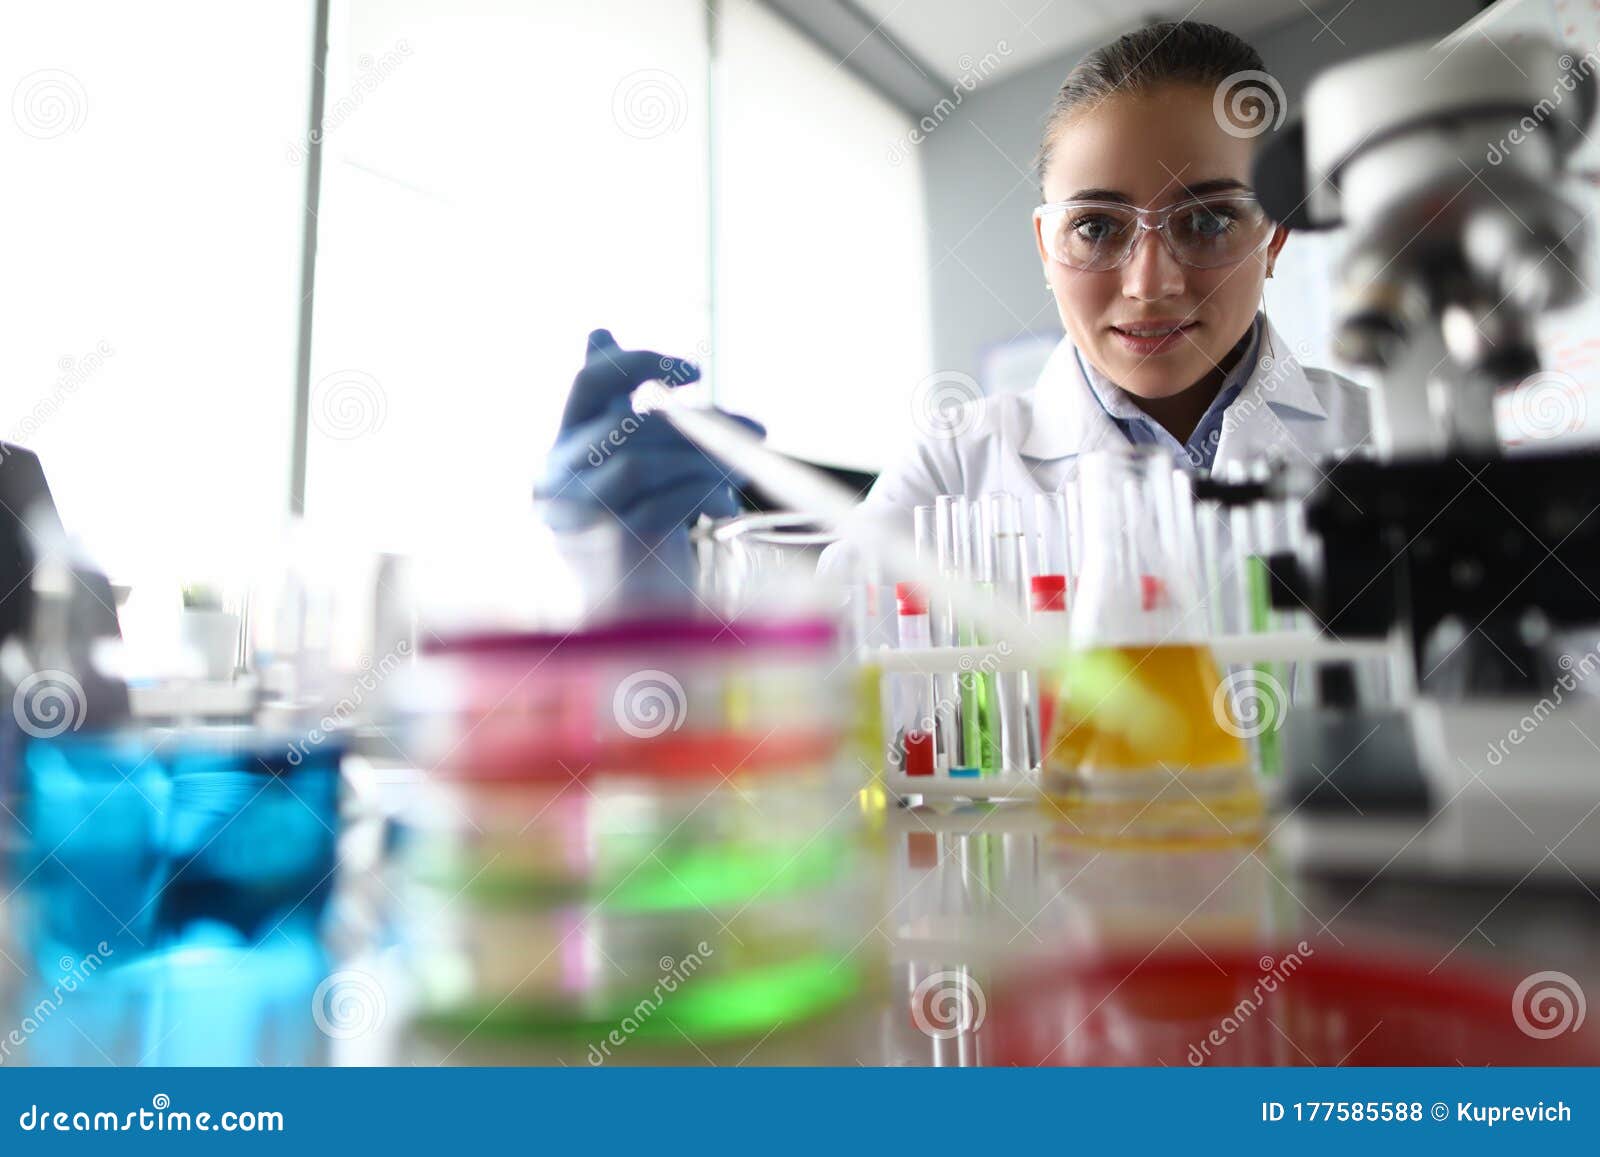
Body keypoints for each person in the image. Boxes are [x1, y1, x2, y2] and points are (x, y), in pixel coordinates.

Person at [542, 21, 1369, 569]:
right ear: (1047, 248)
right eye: (1097, 228)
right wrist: (640, 575)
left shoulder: (1386, 445)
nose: (1151, 283)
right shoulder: (951, 464)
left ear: (1276, 240)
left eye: (1209, 219)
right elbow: (800, 709)